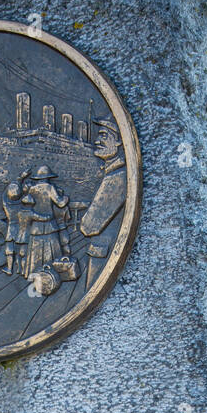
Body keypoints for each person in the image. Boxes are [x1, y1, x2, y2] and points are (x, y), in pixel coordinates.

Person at [80, 119, 127, 287]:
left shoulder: (118, 178)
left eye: (104, 136)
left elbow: (89, 225)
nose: (97, 141)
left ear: (119, 141)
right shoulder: (111, 173)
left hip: (101, 258)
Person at [21, 166, 69, 277]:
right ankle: (53, 273)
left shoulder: (32, 189)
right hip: (50, 224)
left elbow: (25, 201)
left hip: (36, 225)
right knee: (53, 250)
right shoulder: (50, 187)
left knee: (35, 250)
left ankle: (33, 273)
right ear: (48, 177)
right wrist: (66, 198)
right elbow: (60, 203)